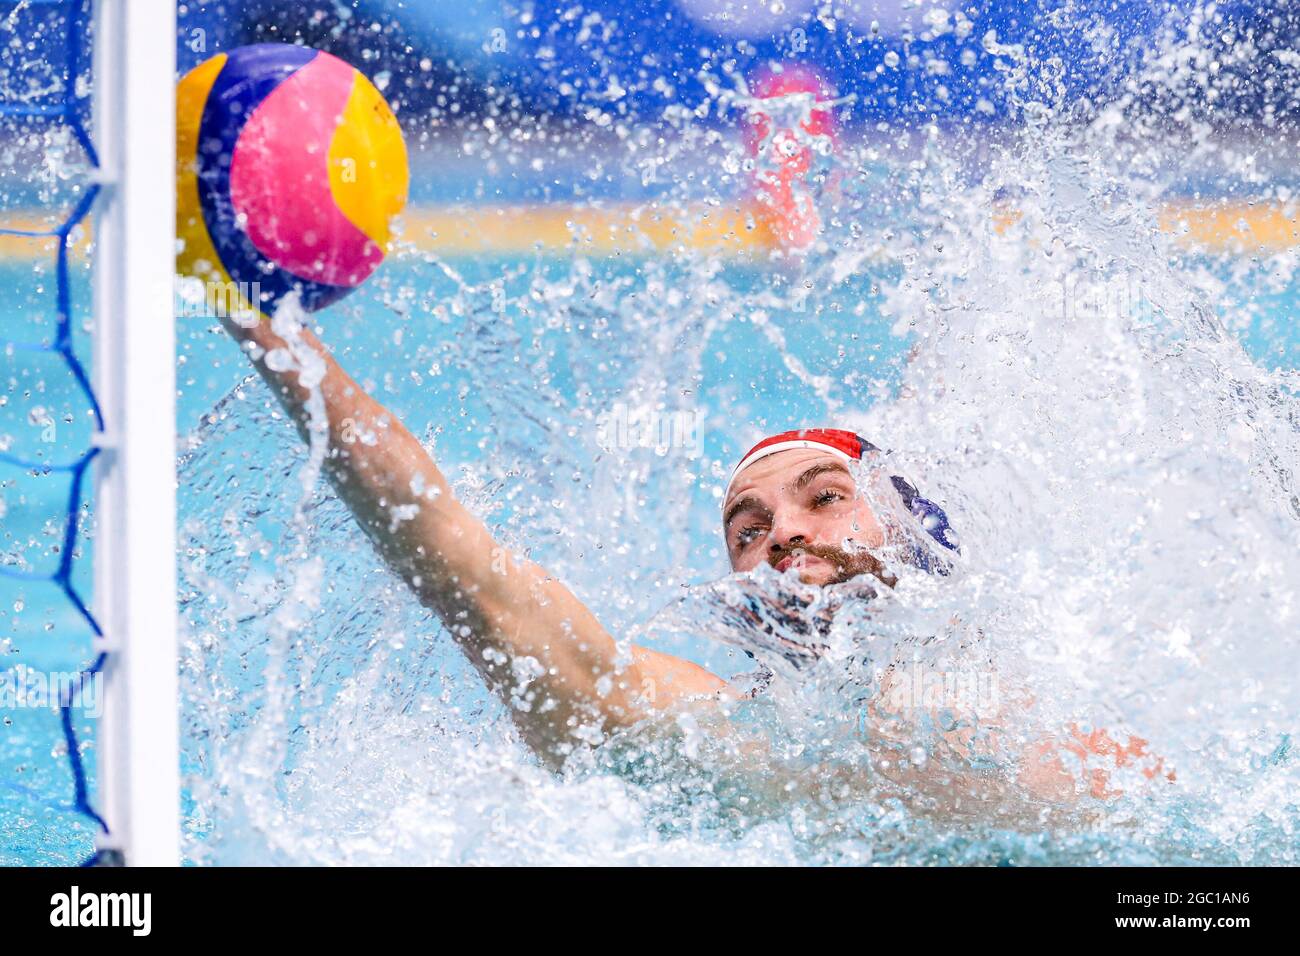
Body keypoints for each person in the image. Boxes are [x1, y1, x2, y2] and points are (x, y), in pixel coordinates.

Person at [220, 309, 1168, 804]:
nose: (783, 535)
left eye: (826, 499)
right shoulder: (714, 736)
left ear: (913, 529)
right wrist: (252, 314)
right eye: (745, 532)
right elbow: (463, 572)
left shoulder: (1070, 746)